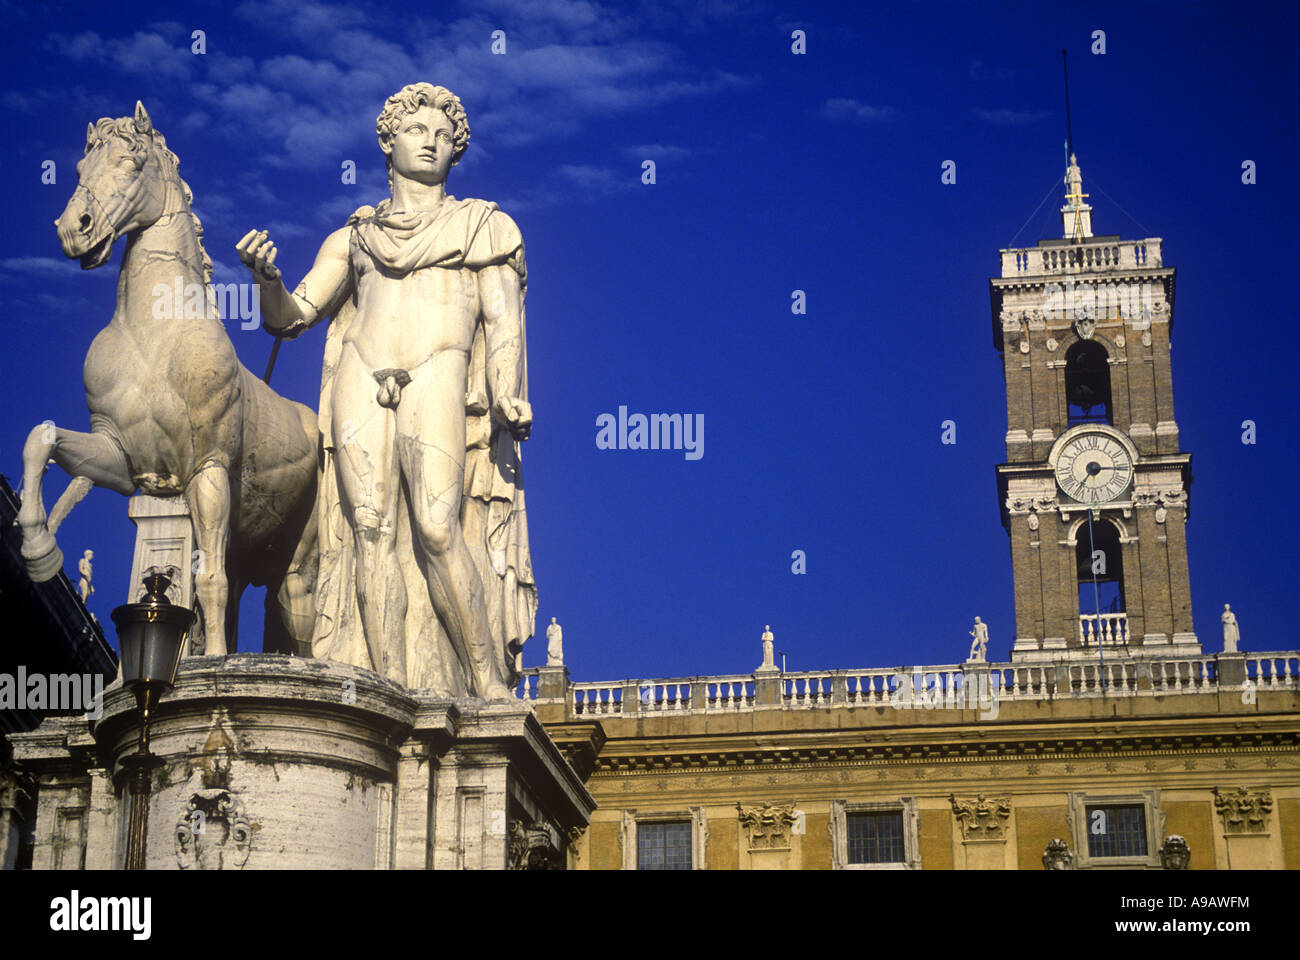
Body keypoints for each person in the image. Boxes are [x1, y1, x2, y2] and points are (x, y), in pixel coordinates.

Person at [237, 83, 534, 698]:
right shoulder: (355, 237)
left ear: (456, 152)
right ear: (388, 141)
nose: (431, 140)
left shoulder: (484, 226)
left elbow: (504, 319)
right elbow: (291, 316)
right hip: (362, 374)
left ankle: (485, 680)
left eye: (444, 135)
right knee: (369, 531)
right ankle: (388, 687)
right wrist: (267, 281)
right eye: (416, 129)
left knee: (435, 526)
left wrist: (506, 392)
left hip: (438, 371)